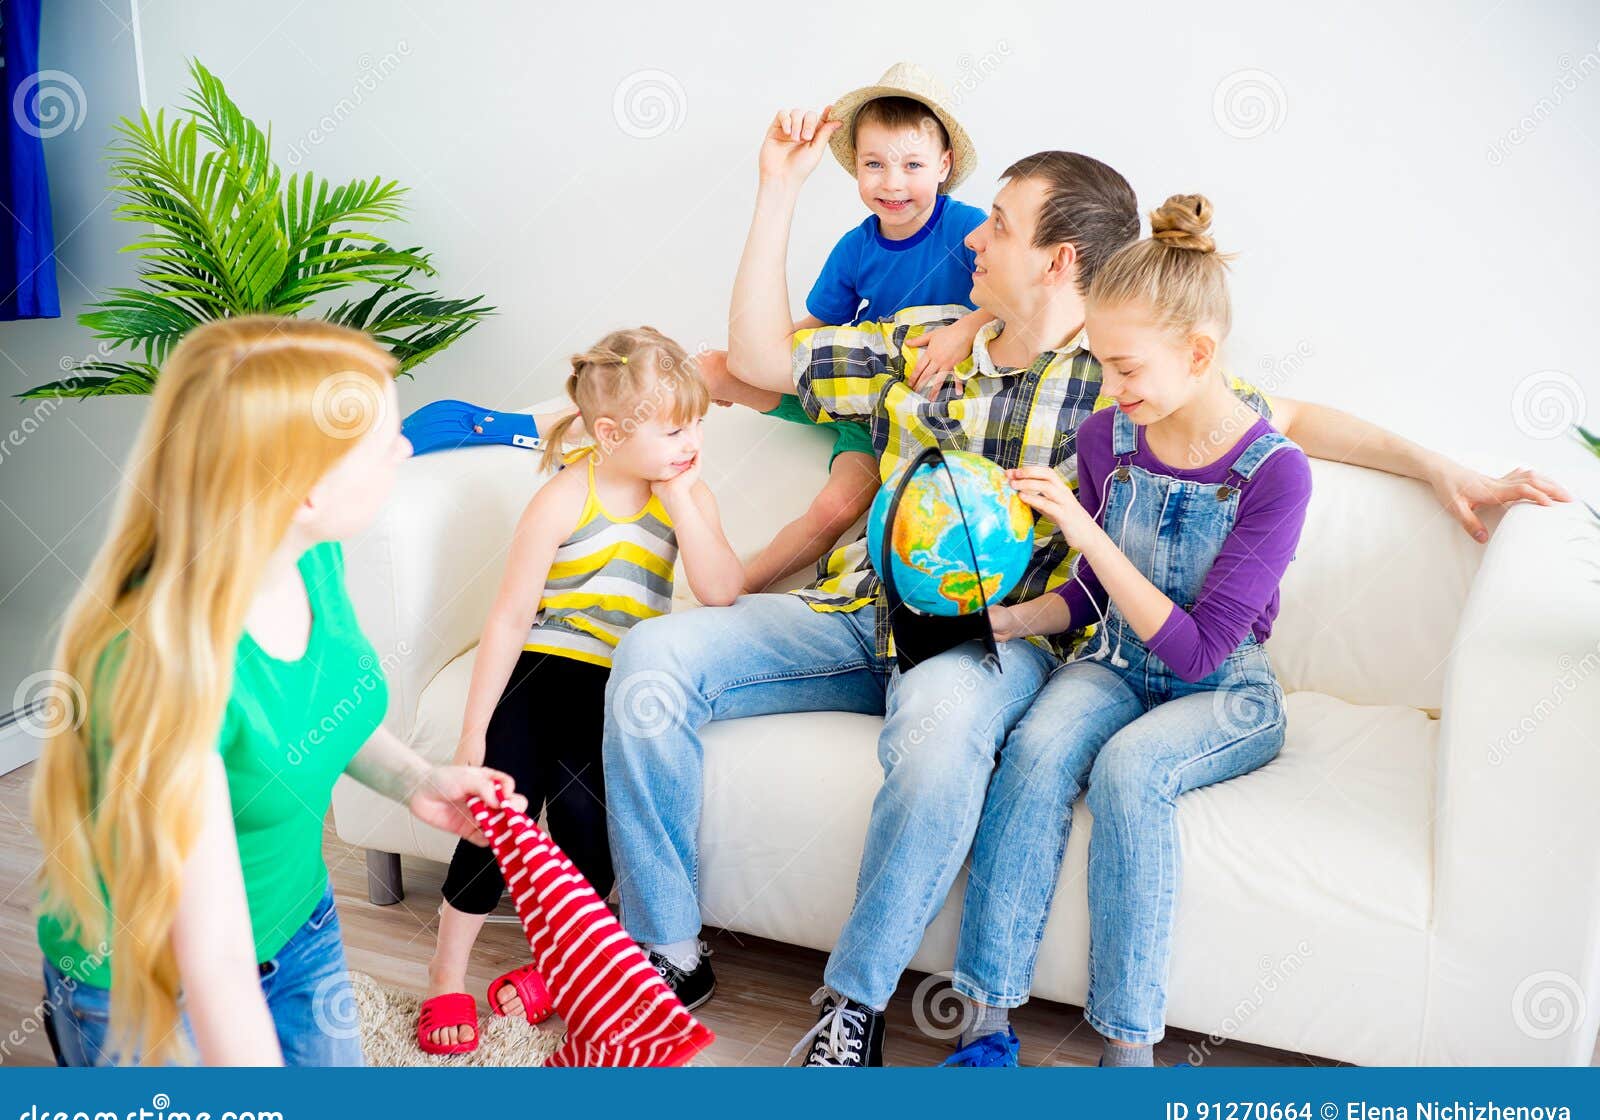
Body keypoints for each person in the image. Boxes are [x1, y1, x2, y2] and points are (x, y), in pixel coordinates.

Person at [607, 106, 1570, 1067]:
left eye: (1001, 226)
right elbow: (760, 359)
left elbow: (1289, 418)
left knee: (943, 738)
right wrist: (777, 188)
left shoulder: (1118, 383)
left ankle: (852, 1006)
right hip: (856, 611)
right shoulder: (923, 338)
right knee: (654, 653)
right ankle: (666, 951)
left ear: (1060, 260)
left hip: (993, 638)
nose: (970, 234)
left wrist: (1443, 467)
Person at [32, 316, 524, 1067]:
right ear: (301, 489)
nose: (403, 447)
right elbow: (214, 958)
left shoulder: (310, 557)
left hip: (301, 928)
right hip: (150, 987)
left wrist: (418, 780)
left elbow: (320, 713)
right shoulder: (164, 663)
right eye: (382, 438)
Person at [946, 194, 1310, 1067]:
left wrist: (1085, 528)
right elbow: (1086, 597)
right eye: (1102, 368)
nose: (1110, 392)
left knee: (1131, 770)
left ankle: (1127, 1051)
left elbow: (1197, 647)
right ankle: (986, 1026)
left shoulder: (1277, 474)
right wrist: (1000, 619)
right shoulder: (1113, 435)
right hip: (1114, 662)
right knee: (1031, 752)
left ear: (1198, 352)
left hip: (1225, 690)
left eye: (1125, 368)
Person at [420, 327, 742, 1053]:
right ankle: (446, 972)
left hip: (623, 683)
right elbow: (506, 620)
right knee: (495, 819)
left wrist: (683, 497)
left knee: (588, 829)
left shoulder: (685, 497)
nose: (691, 440)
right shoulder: (567, 495)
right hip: (544, 667)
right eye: (673, 428)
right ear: (609, 432)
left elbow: (723, 592)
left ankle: (557, 969)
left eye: (697, 424)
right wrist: (473, 734)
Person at [705, 63, 993, 592]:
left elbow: (1015, 301)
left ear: (944, 165)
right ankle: (577, 419)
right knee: (712, 367)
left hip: (908, 404)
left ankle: (734, 588)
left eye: (912, 164)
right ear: (855, 167)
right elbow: (816, 327)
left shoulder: (970, 227)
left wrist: (967, 328)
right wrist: (755, 361)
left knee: (836, 508)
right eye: (874, 164)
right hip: (852, 385)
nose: (892, 183)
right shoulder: (856, 246)